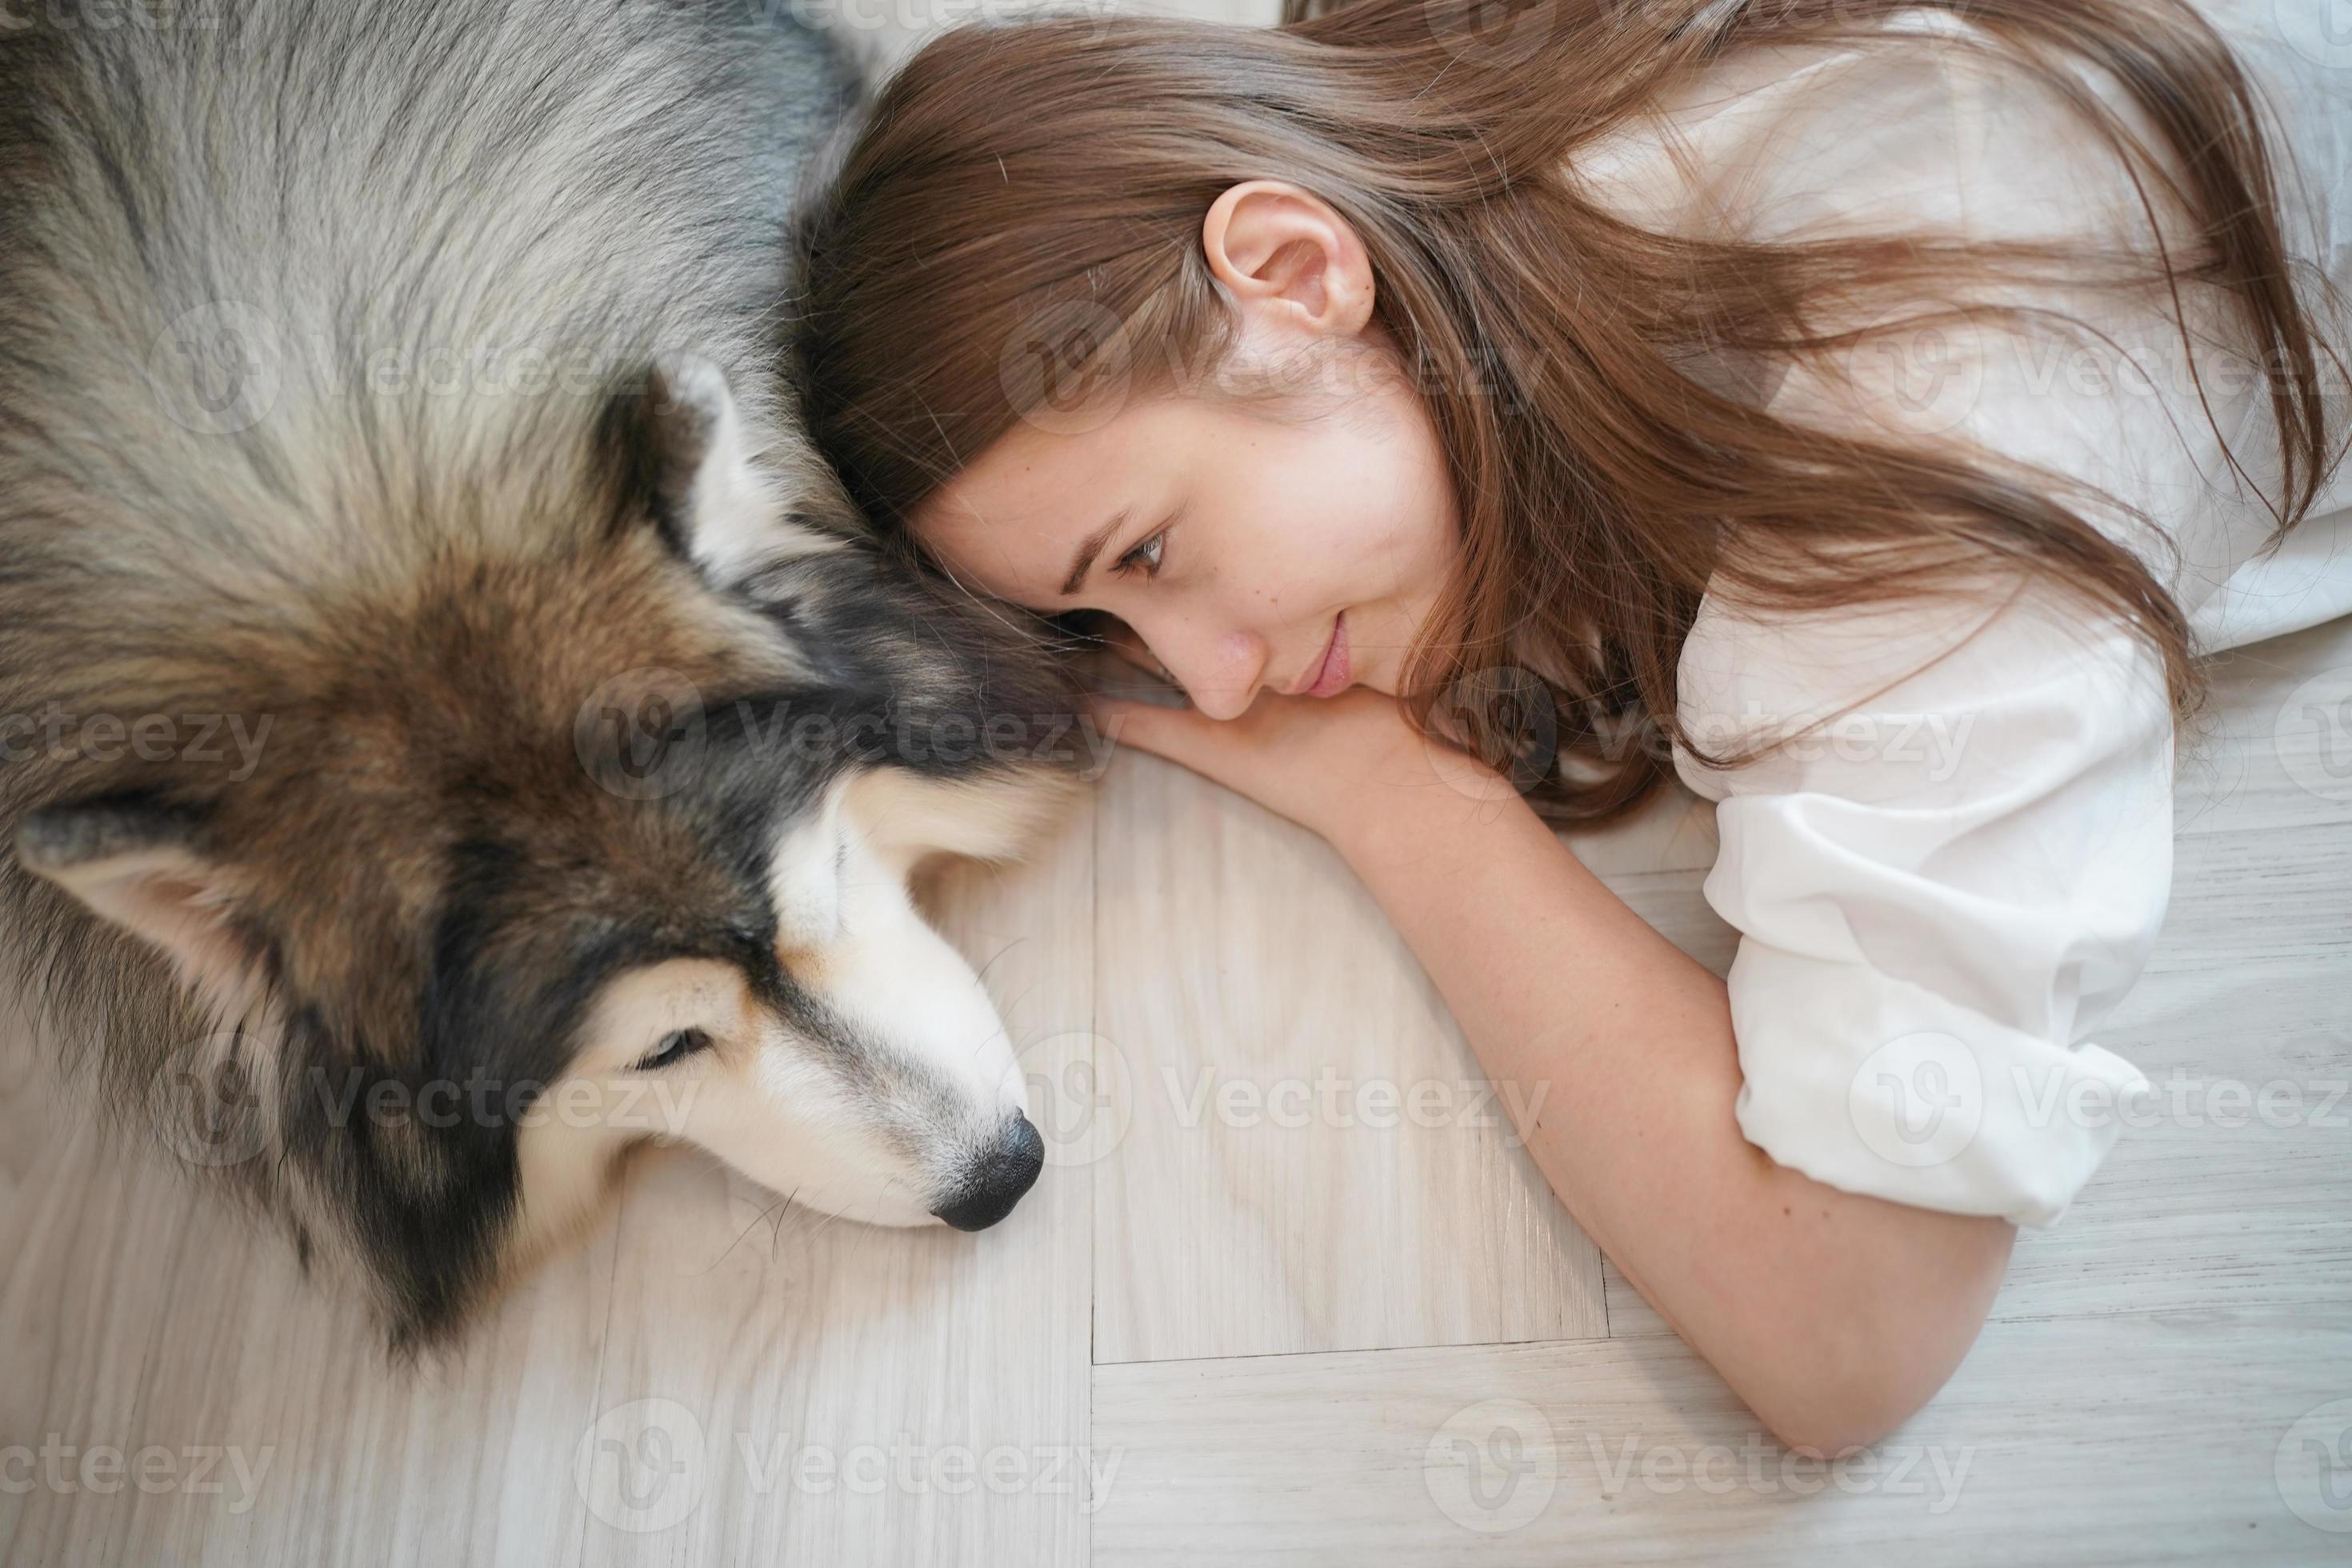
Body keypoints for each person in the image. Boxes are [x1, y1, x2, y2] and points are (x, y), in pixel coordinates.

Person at [790, 0, 2352, 1450]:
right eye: (1113, 630)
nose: (1209, 683)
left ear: (1291, 272)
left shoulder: (1906, 432)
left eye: (1147, 554)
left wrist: (1399, 804)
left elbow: (1850, 1323)